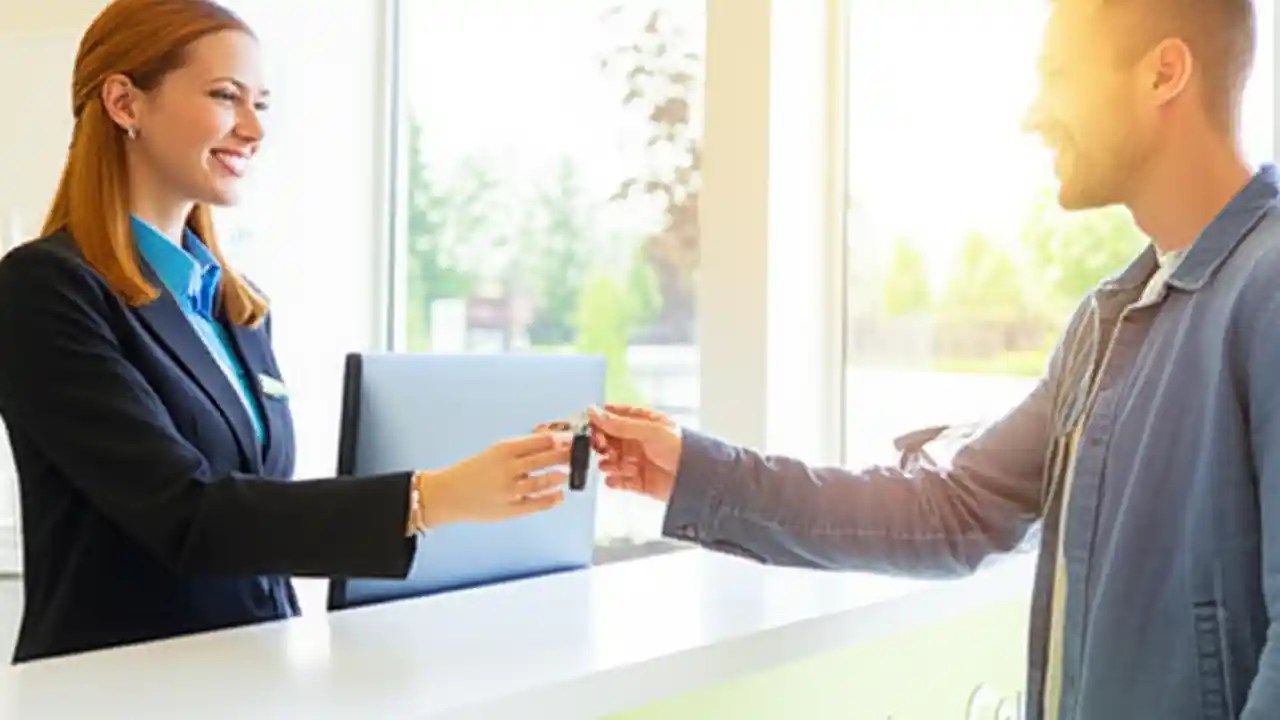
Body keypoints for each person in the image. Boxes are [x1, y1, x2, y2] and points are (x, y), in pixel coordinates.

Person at [571, 1, 1280, 718]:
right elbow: (950, 509)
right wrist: (697, 473)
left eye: (1058, 76)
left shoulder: (1269, 288)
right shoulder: (1109, 321)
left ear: (1164, 73)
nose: (1033, 116)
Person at [0, 0, 569, 664]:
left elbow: (258, 514)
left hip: (255, 680)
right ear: (125, 102)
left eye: (261, 104)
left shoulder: (235, 308)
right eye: (225, 96)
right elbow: (188, 517)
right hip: (122, 690)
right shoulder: (42, 290)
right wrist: (429, 498)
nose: (252, 129)